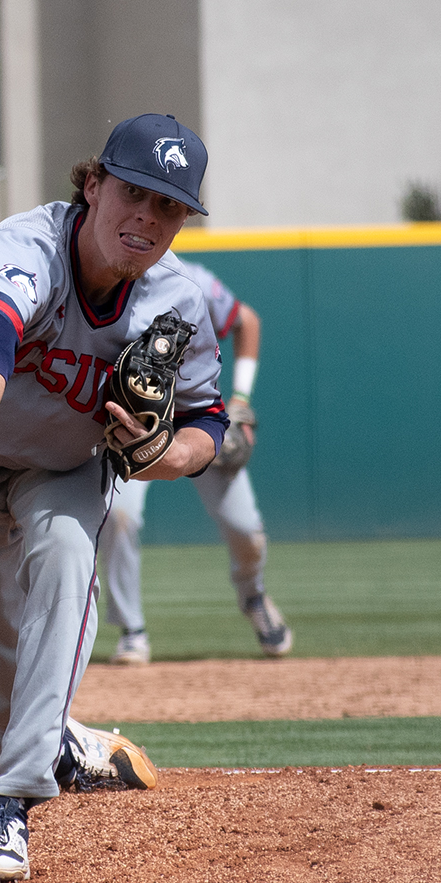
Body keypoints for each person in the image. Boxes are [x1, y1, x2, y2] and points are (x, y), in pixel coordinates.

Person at [0, 114, 229, 883]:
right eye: (135, 193)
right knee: (8, 681)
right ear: (92, 184)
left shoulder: (176, 302)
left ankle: (11, 804)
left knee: (68, 558)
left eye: (169, 206)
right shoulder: (18, 252)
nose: (147, 218)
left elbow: (208, 424)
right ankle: (67, 744)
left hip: (66, 463)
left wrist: (160, 453)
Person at [98, 263, 292, 666]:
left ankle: (252, 594)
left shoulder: (188, 280)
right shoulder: (101, 283)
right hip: (134, 425)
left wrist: (240, 399)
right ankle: (132, 630)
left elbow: (247, 321)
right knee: (119, 515)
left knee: (245, 530)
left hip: (197, 418)